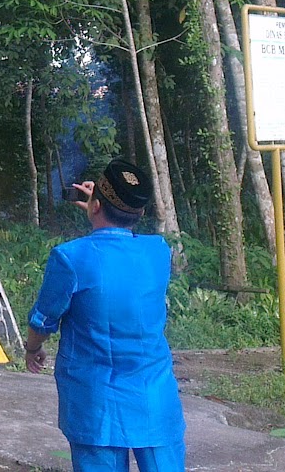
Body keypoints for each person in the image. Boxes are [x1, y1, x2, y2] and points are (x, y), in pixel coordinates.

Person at [24, 158, 186, 472]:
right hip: (153, 396)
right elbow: (119, 248)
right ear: (139, 213)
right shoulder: (158, 251)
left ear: (95, 206)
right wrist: (102, 208)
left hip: (96, 401)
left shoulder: (70, 258)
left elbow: (43, 319)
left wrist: (33, 349)